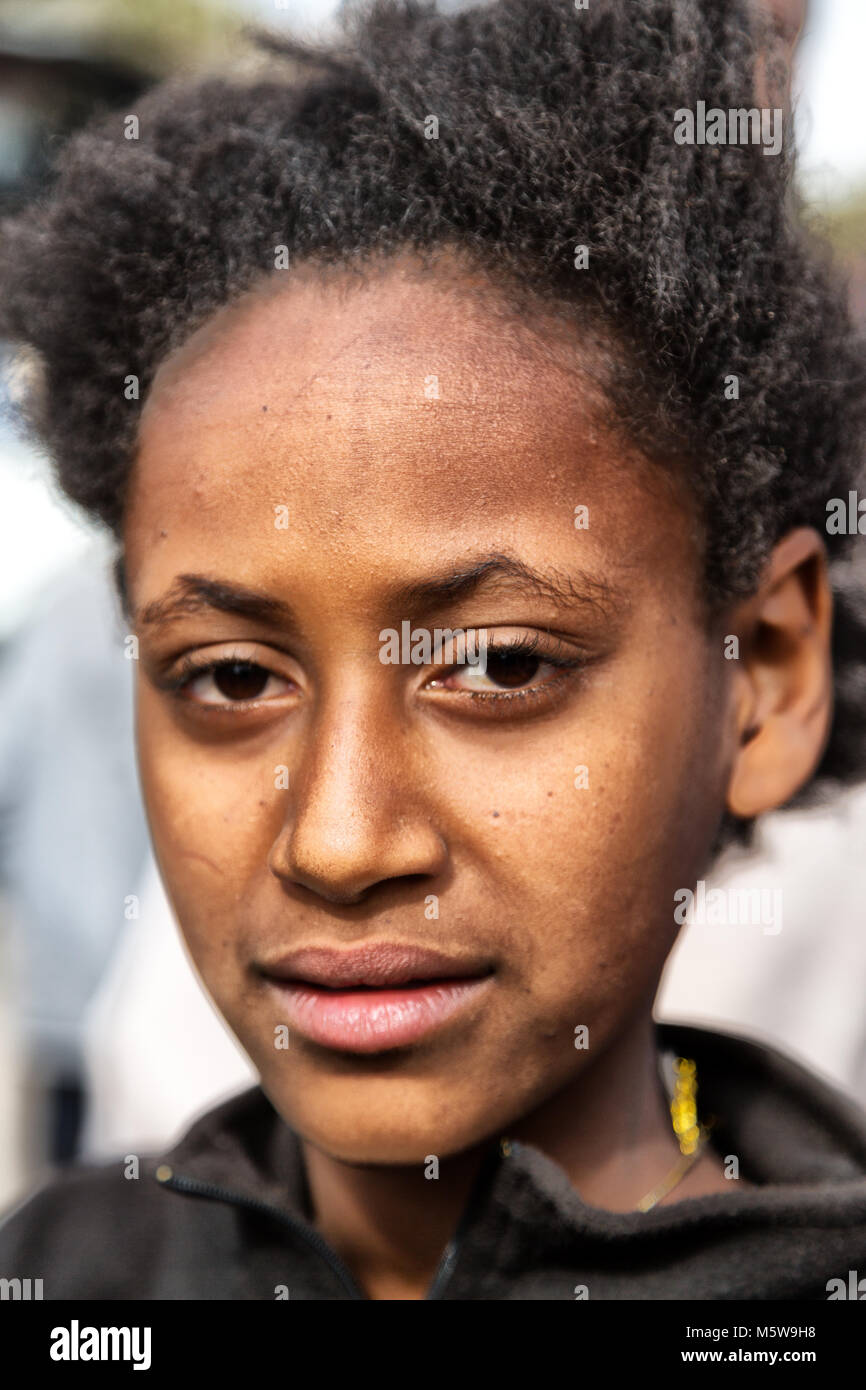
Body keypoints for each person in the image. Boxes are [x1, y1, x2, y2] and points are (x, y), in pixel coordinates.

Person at [0, 0, 864, 1301]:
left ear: (763, 673)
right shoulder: (69, 1278)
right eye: (231, 676)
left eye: (502, 665)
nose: (339, 842)